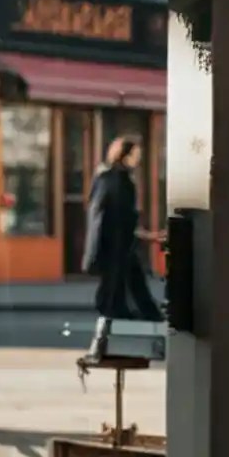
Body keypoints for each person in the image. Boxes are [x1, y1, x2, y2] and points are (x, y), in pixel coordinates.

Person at [82, 136, 164, 321]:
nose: (138, 160)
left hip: (119, 248)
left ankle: (149, 319)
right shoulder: (119, 181)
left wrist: (147, 236)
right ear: (124, 156)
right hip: (118, 248)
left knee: (124, 295)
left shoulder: (107, 178)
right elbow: (118, 219)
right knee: (118, 299)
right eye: (135, 155)